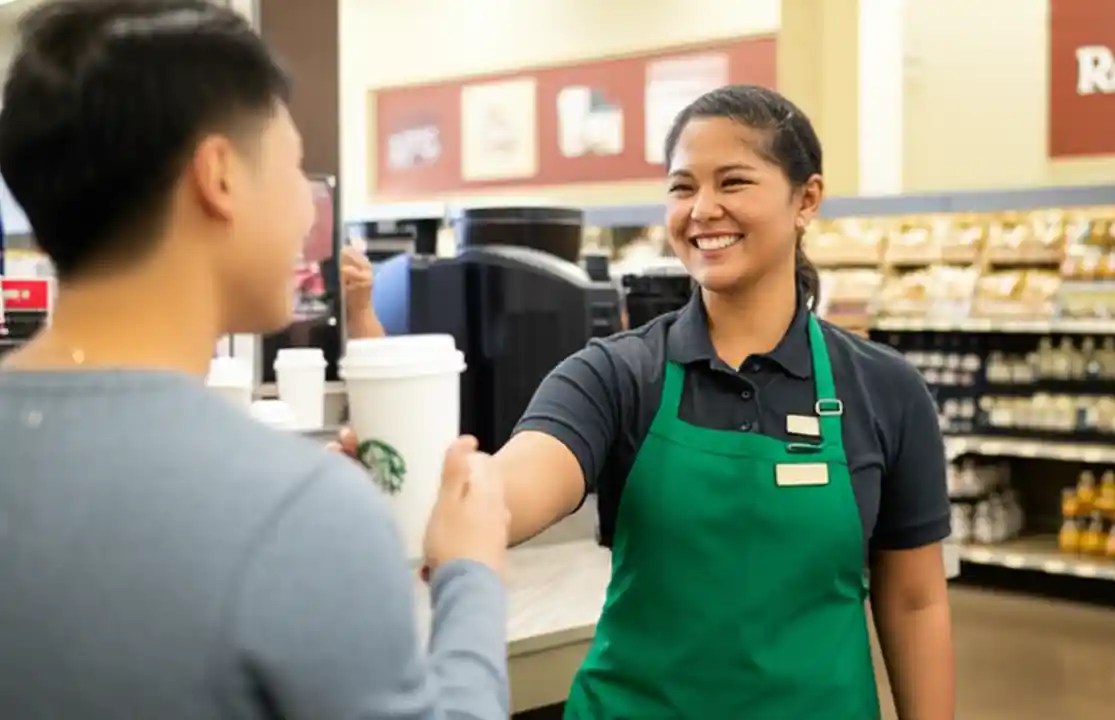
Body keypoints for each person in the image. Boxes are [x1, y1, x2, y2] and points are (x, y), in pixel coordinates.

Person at [0, 2, 510, 719]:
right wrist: (470, 572)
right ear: (220, 176)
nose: (309, 212)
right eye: (297, 167)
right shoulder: (301, 512)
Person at [496, 85, 956, 718]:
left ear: (807, 199)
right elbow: (522, 479)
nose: (702, 209)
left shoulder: (883, 388)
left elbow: (913, 601)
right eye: (683, 187)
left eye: (733, 182)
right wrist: (454, 497)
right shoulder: (618, 374)